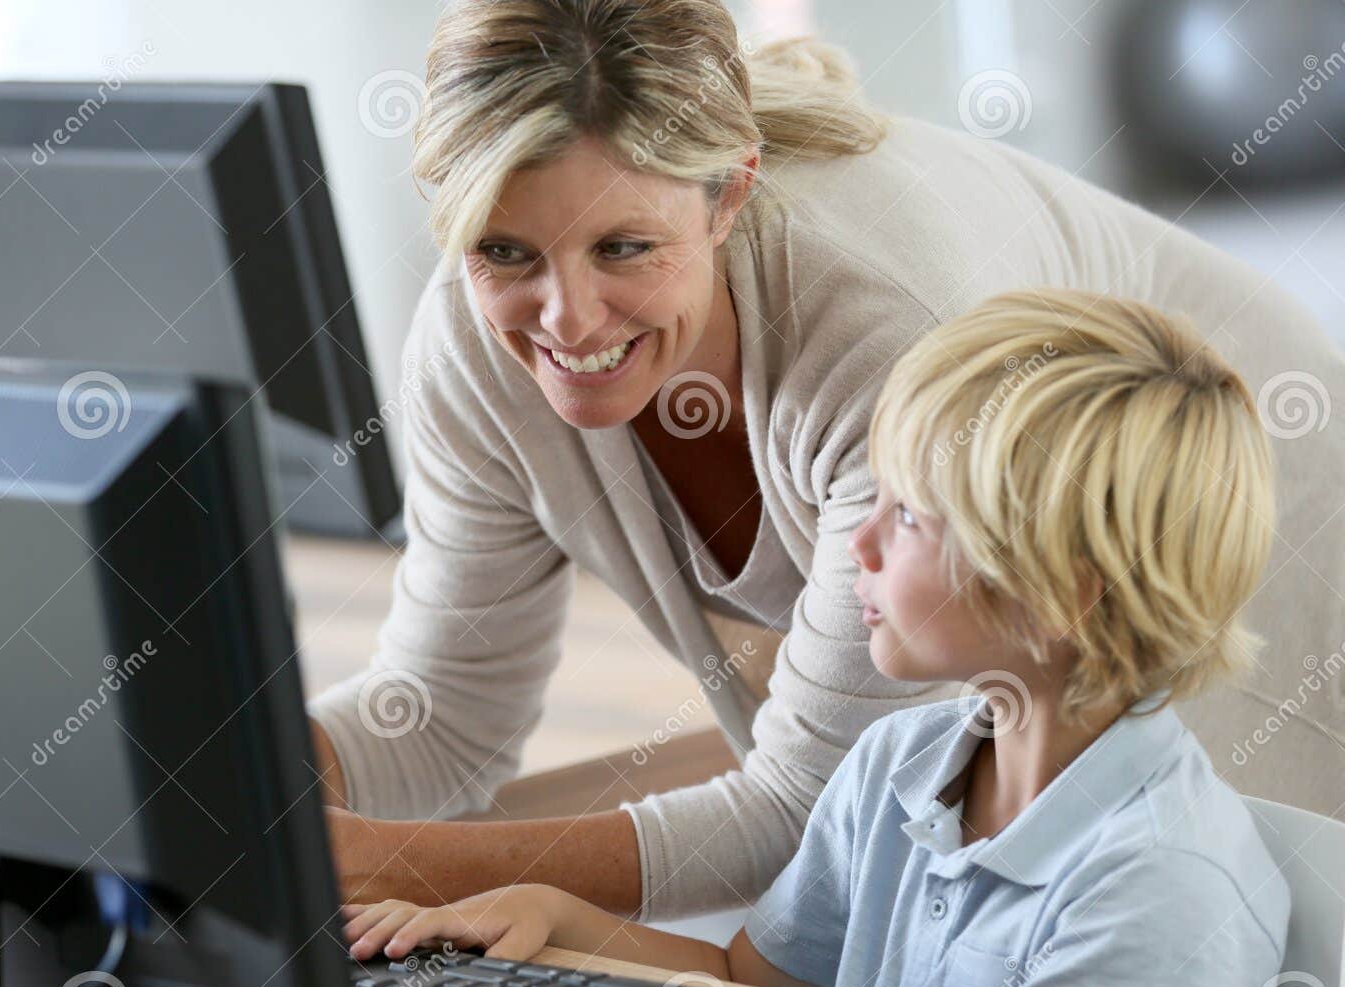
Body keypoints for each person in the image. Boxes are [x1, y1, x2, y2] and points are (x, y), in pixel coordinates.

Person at [313, 0, 1345, 925]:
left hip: (1230, 489)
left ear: (726, 199)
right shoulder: (471, 342)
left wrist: (392, 864)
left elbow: (808, 809)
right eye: (504, 251)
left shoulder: (885, 334)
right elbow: (440, 711)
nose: (565, 317)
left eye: (622, 248)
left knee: (1237, 935)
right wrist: (235, 787)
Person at [339, 289, 1293, 987]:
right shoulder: (900, 759)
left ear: (1061, 592)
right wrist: (555, 917)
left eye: (912, 517)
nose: (861, 544)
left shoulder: (1162, 887)